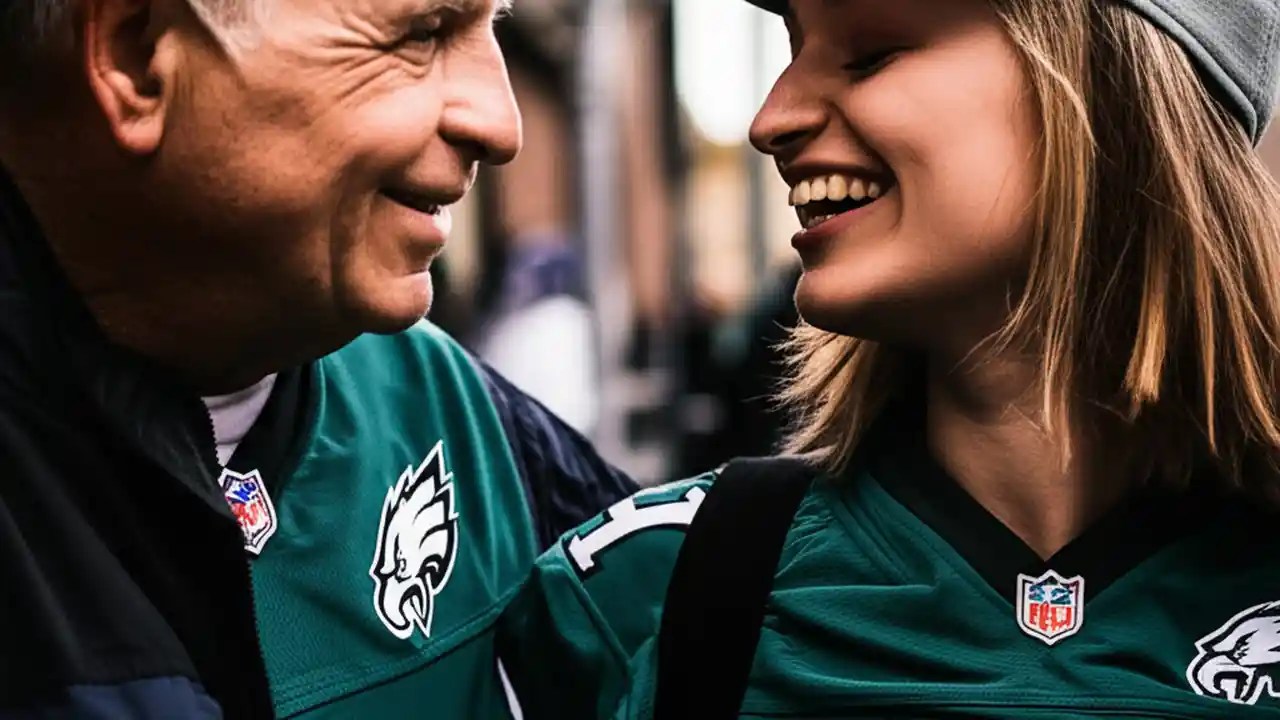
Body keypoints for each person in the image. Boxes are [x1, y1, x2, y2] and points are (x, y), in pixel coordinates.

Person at [499, 0, 1280, 717]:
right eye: (792, 49)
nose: (772, 119)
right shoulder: (650, 589)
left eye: (871, 53)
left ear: (1110, 92)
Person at [0, 0, 635, 717]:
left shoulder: (461, 423)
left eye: (492, 26)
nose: (498, 123)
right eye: (422, 35)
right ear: (136, 57)